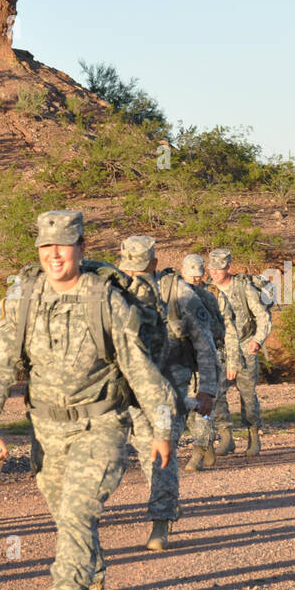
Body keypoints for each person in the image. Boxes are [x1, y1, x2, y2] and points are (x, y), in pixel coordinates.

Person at [0, 211, 177, 590]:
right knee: (71, 524)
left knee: (79, 514)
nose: (55, 256)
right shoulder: (23, 298)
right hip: (46, 431)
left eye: (63, 246)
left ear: (82, 248)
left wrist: (162, 427)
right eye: (46, 248)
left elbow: (142, 370)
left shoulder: (106, 300)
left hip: (100, 427)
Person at [119, 236, 218, 551]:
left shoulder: (179, 292)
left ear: (153, 264)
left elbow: (205, 342)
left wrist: (208, 389)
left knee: (162, 449)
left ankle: (160, 523)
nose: (135, 274)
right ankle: (168, 502)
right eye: (129, 268)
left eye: (141, 268)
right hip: (133, 387)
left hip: (171, 381)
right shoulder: (115, 292)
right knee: (146, 449)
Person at [207, 248, 272, 457]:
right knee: (216, 393)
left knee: (247, 395)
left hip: (245, 347)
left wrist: (257, 340)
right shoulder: (208, 291)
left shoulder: (243, 288)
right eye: (212, 268)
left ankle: (253, 435)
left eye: (219, 268)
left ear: (228, 267)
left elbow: (262, 317)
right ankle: (226, 437)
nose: (215, 272)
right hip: (220, 349)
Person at [178, 254, 241, 469]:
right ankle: (207, 445)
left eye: (198, 276)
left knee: (203, 407)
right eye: (191, 276)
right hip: (181, 360)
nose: (195, 280)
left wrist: (230, 359)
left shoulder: (209, 297)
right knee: (183, 408)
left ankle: (198, 452)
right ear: (182, 271)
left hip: (205, 358)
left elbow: (225, 329)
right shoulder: (170, 294)